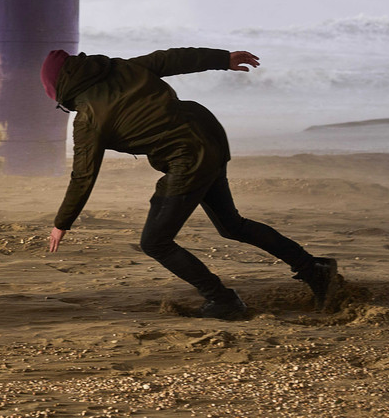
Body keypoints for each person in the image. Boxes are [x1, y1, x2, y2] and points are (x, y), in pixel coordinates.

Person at [41, 47, 339, 320]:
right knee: (232, 225)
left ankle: (222, 300)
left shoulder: (89, 119)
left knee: (155, 242)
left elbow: (83, 175)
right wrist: (223, 59)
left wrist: (61, 223)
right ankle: (314, 269)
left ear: (60, 90)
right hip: (207, 134)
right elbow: (171, 59)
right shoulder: (122, 68)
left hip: (188, 157)